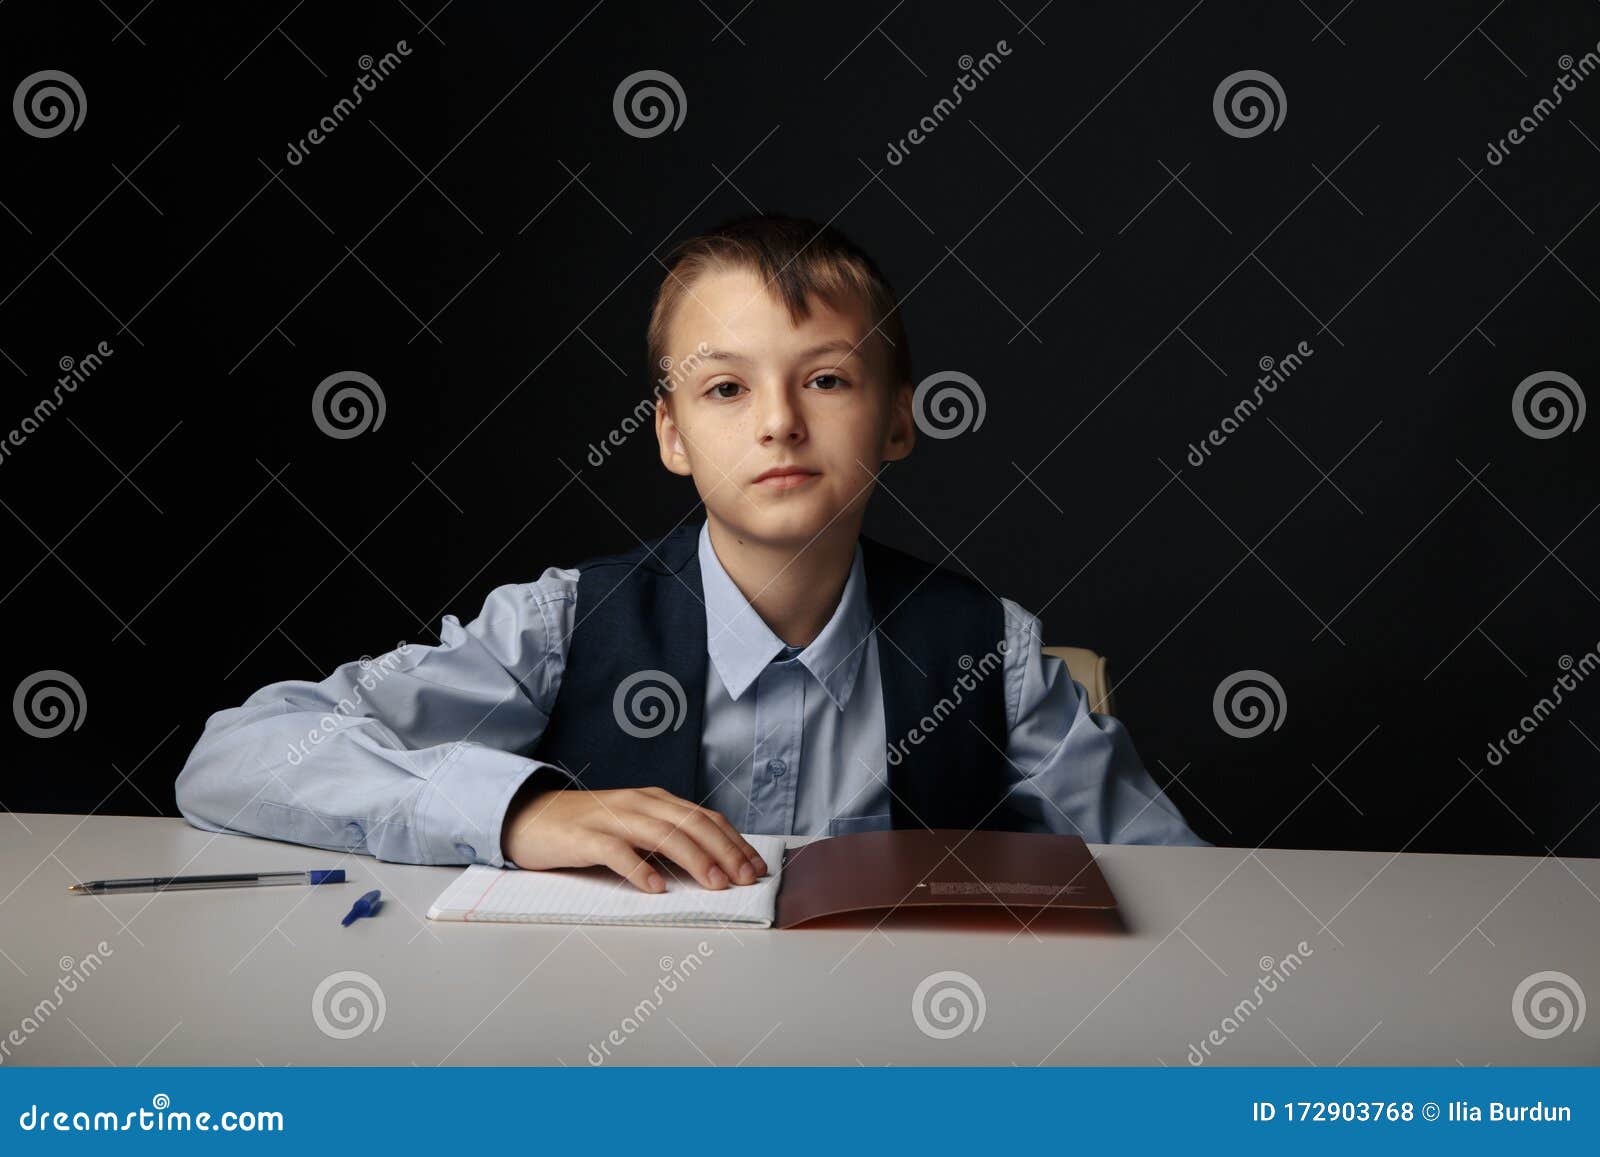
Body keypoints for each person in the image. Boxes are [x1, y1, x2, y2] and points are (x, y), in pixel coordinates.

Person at [175, 214, 1207, 895]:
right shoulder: (557, 625)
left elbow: (1185, 888)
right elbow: (233, 758)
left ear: (899, 421)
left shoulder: (993, 652)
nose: (777, 424)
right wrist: (518, 808)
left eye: (828, 381)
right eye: (725, 388)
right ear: (670, 434)